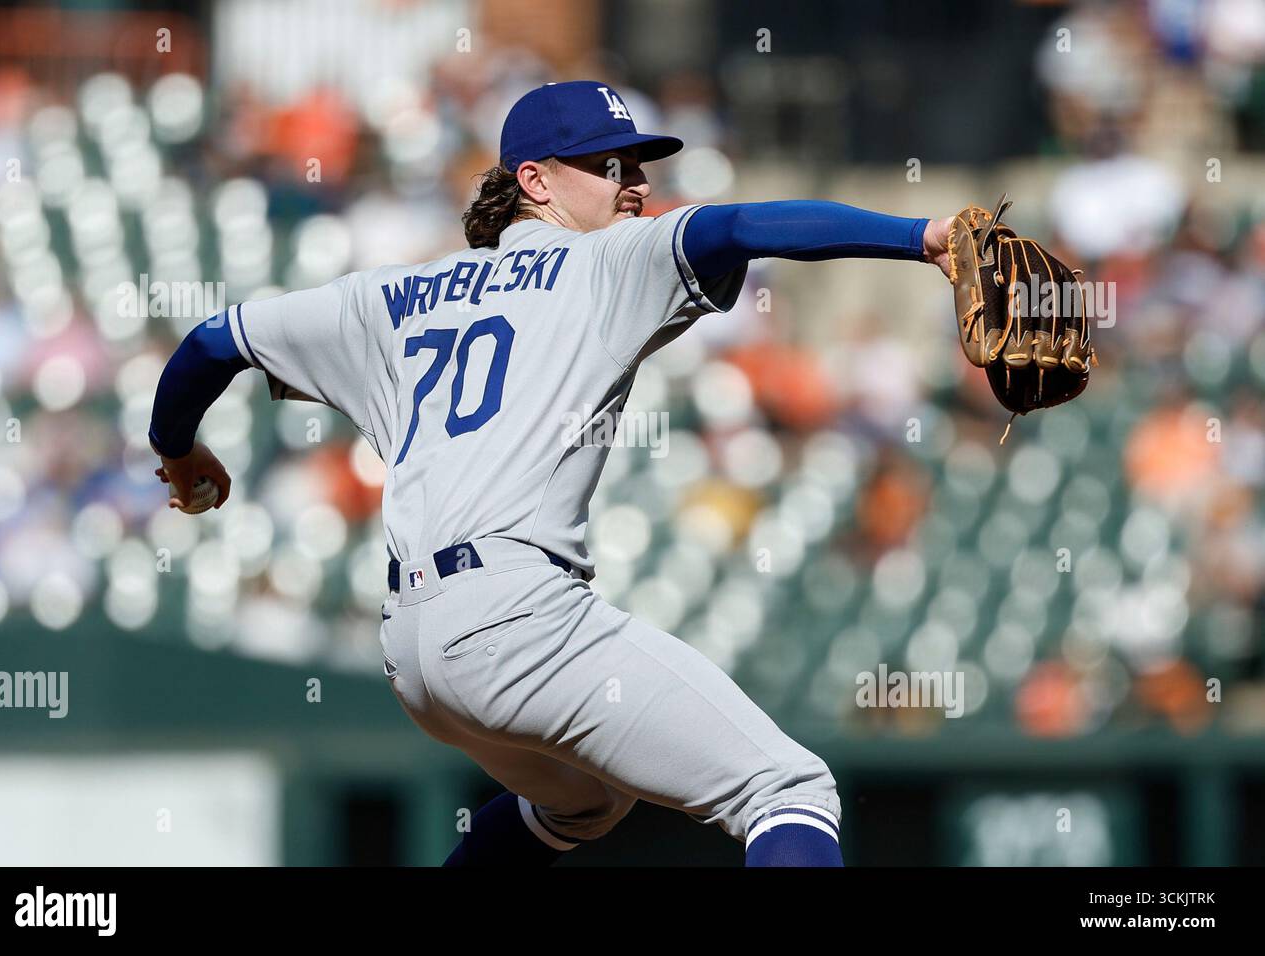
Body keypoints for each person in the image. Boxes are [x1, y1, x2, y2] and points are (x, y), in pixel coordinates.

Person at [150, 80, 953, 866]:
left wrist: (179, 452)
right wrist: (921, 236)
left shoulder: (390, 295)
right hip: (514, 615)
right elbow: (740, 224)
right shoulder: (602, 263)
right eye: (610, 166)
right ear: (533, 180)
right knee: (787, 787)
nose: (635, 185)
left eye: (638, 166)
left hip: (415, 650)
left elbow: (213, 343)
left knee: (584, 801)